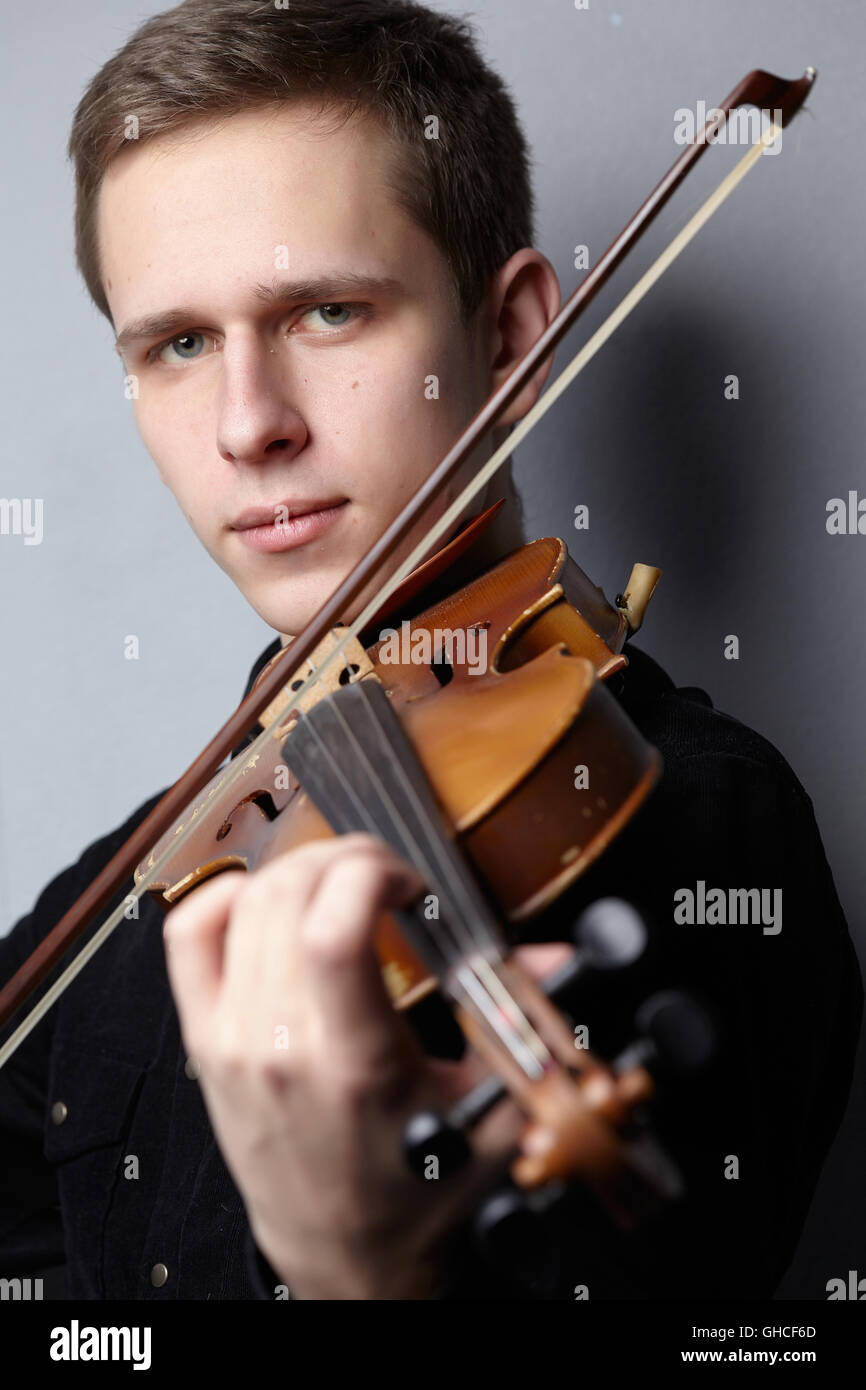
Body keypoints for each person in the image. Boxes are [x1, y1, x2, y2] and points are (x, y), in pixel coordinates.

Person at [0, 0, 860, 1301]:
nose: (246, 424)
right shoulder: (129, 893)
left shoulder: (684, 816)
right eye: (179, 345)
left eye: (327, 312)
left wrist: (364, 1270)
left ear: (511, 339)